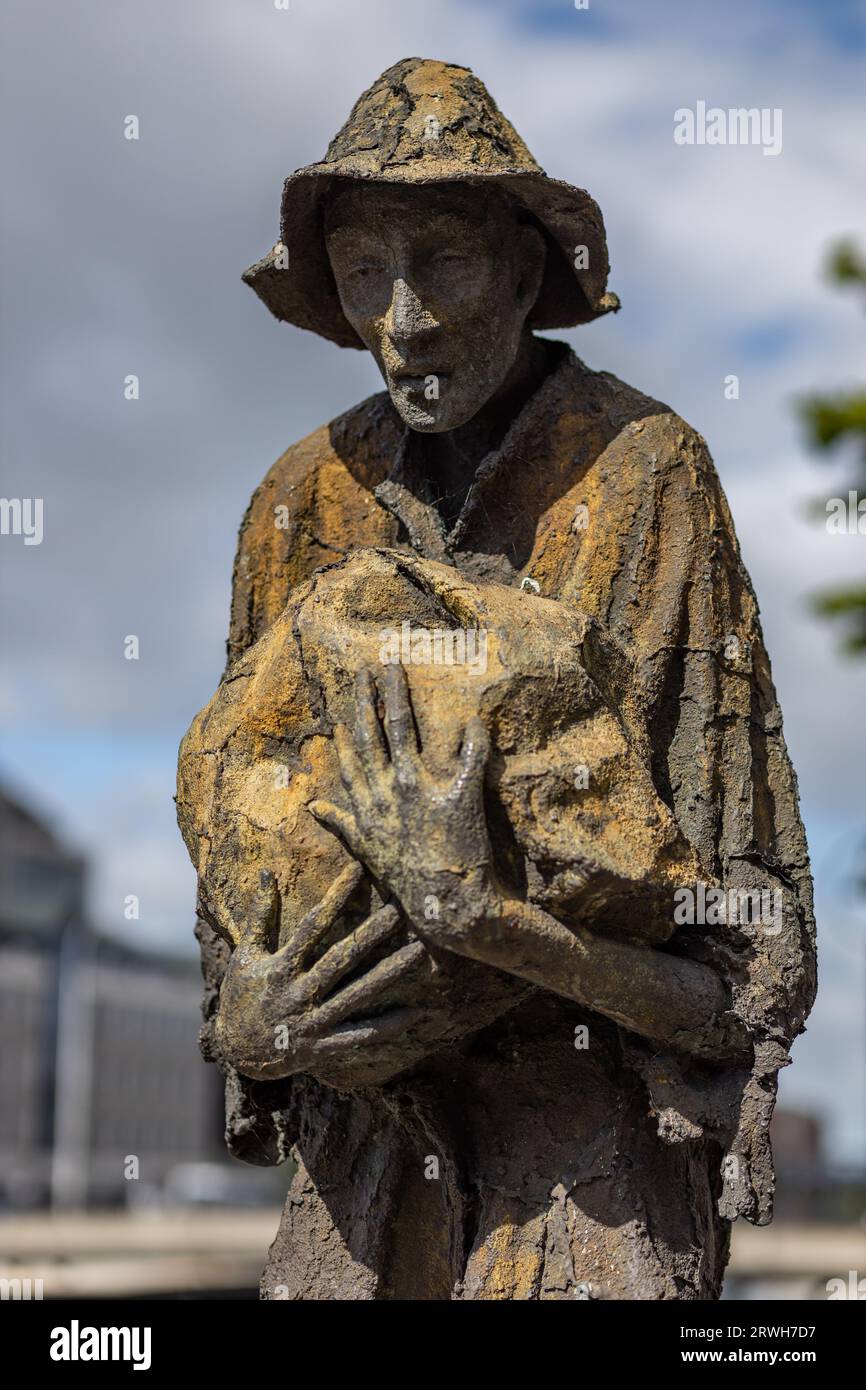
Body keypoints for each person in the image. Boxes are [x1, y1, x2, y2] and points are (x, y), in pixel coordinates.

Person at [180, 58, 815, 1300]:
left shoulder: (644, 478)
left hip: (585, 1168)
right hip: (359, 1179)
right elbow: (236, 879)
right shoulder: (296, 503)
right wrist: (247, 1026)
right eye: (364, 270)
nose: (403, 319)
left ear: (527, 270)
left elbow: (736, 973)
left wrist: (493, 925)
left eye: (449, 263)